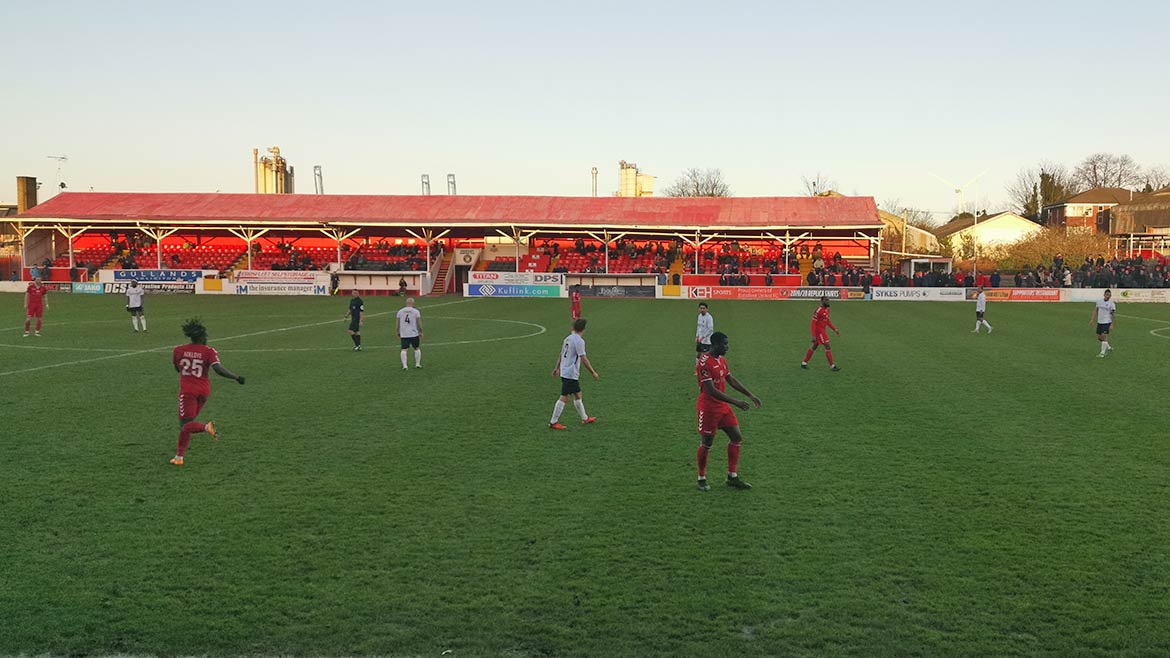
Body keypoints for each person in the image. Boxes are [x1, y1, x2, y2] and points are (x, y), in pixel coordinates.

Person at [170, 318, 245, 465]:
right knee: (188, 424)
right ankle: (179, 458)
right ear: (201, 336)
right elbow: (218, 369)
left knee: (185, 425)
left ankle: (206, 427)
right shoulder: (209, 351)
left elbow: (177, 368)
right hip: (204, 390)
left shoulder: (178, 350)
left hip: (188, 391)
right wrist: (235, 377)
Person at [695, 331, 761, 491]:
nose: (727, 347)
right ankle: (701, 478)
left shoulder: (721, 360)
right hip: (709, 408)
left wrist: (750, 394)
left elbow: (730, 379)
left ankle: (732, 476)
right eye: (725, 344)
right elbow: (711, 390)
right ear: (715, 345)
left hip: (723, 407)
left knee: (736, 437)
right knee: (707, 443)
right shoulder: (704, 363)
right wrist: (736, 402)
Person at [549, 318, 599, 429]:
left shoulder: (568, 338)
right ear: (584, 329)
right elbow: (583, 358)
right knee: (564, 397)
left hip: (565, 370)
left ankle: (585, 418)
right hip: (570, 373)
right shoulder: (579, 341)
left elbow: (561, 354)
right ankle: (553, 422)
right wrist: (593, 372)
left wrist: (557, 368)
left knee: (577, 394)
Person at [801, 296, 841, 371]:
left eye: (828, 300)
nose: (828, 302)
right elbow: (813, 323)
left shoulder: (827, 309)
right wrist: (813, 335)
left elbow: (827, 321)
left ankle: (804, 363)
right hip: (819, 331)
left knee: (814, 346)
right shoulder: (818, 310)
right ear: (822, 301)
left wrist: (834, 329)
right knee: (827, 346)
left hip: (822, 330)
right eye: (826, 300)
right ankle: (832, 366)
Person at [396, 297, 423, 369]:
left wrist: (397, 331)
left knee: (404, 349)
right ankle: (417, 364)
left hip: (404, 333)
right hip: (414, 333)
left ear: (406, 303)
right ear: (413, 303)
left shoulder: (400, 311)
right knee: (416, 348)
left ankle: (405, 365)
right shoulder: (416, 311)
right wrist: (420, 331)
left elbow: (398, 322)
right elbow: (418, 322)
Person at [1090, 289, 1117, 358]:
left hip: (1107, 322)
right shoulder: (1099, 302)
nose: (1108, 296)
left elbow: (1113, 314)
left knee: (1104, 336)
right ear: (1104, 294)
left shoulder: (1111, 304)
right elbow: (1095, 311)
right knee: (1099, 337)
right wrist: (1092, 320)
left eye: (1109, 295)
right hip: (1100, 322)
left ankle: (1102, 353)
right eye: (1107, 294)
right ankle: (1108, 346)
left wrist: (1112, 324)